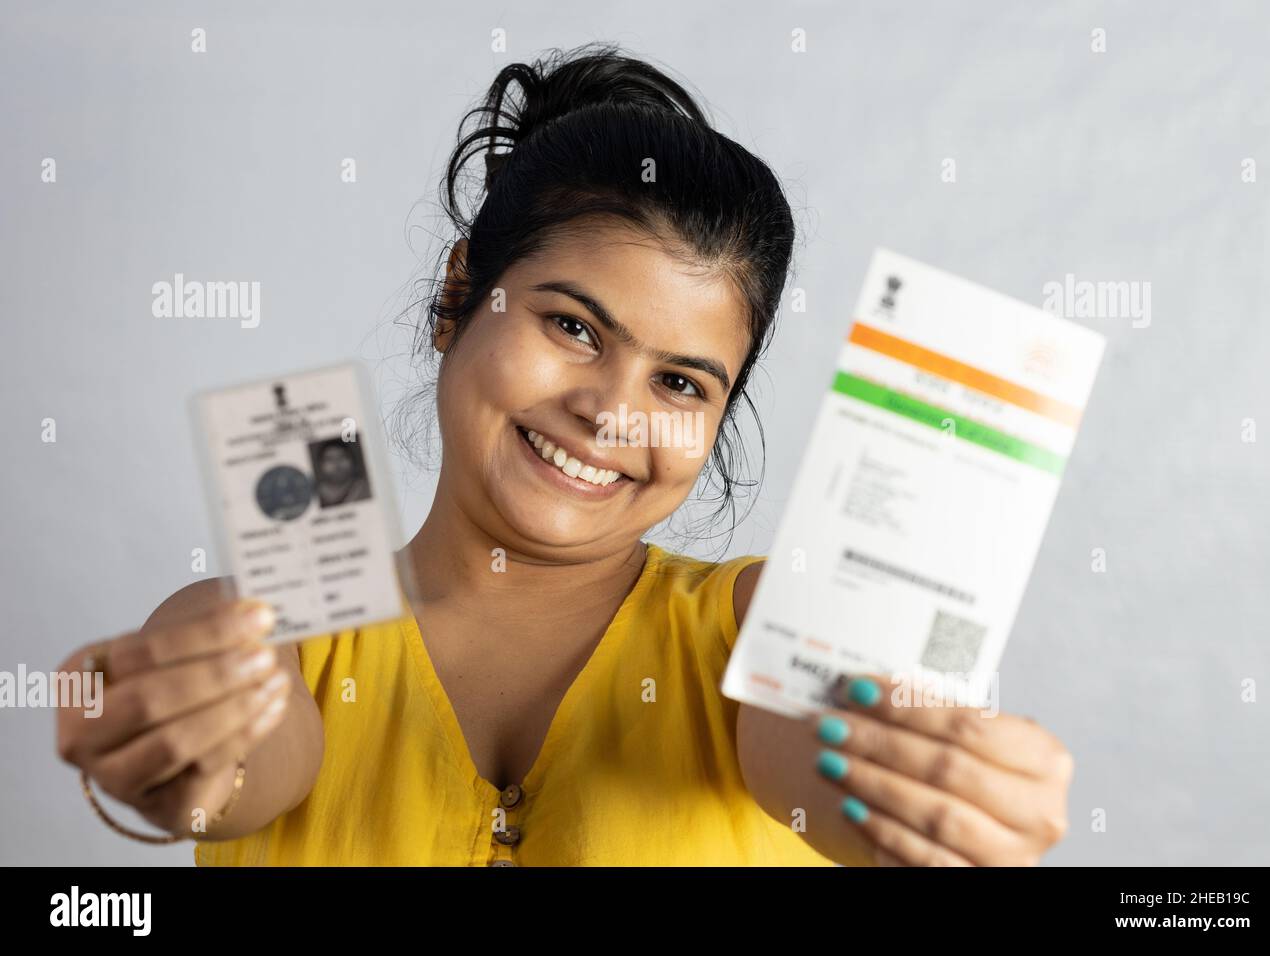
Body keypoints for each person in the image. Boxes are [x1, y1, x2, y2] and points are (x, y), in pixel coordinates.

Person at [55, 43, 1072, 866]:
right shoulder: (280, 624)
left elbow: (825, 759)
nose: (609, 413)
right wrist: (181, 754)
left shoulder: (765, 624)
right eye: (574, 328)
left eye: (680, 381)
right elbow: (236, 769)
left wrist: (922, 799)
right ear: (461, 293)